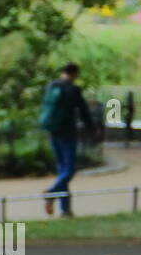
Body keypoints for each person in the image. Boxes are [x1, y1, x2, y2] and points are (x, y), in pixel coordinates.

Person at [38, 63, 98, 217]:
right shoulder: (73, 89)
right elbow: (84, 111)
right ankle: (51, 193)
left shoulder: (51, 86)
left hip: (53, 131)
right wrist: (92, 129)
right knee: (69, 170)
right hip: (67, 133)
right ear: (74, 74)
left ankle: (65, 210)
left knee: (62, 170)